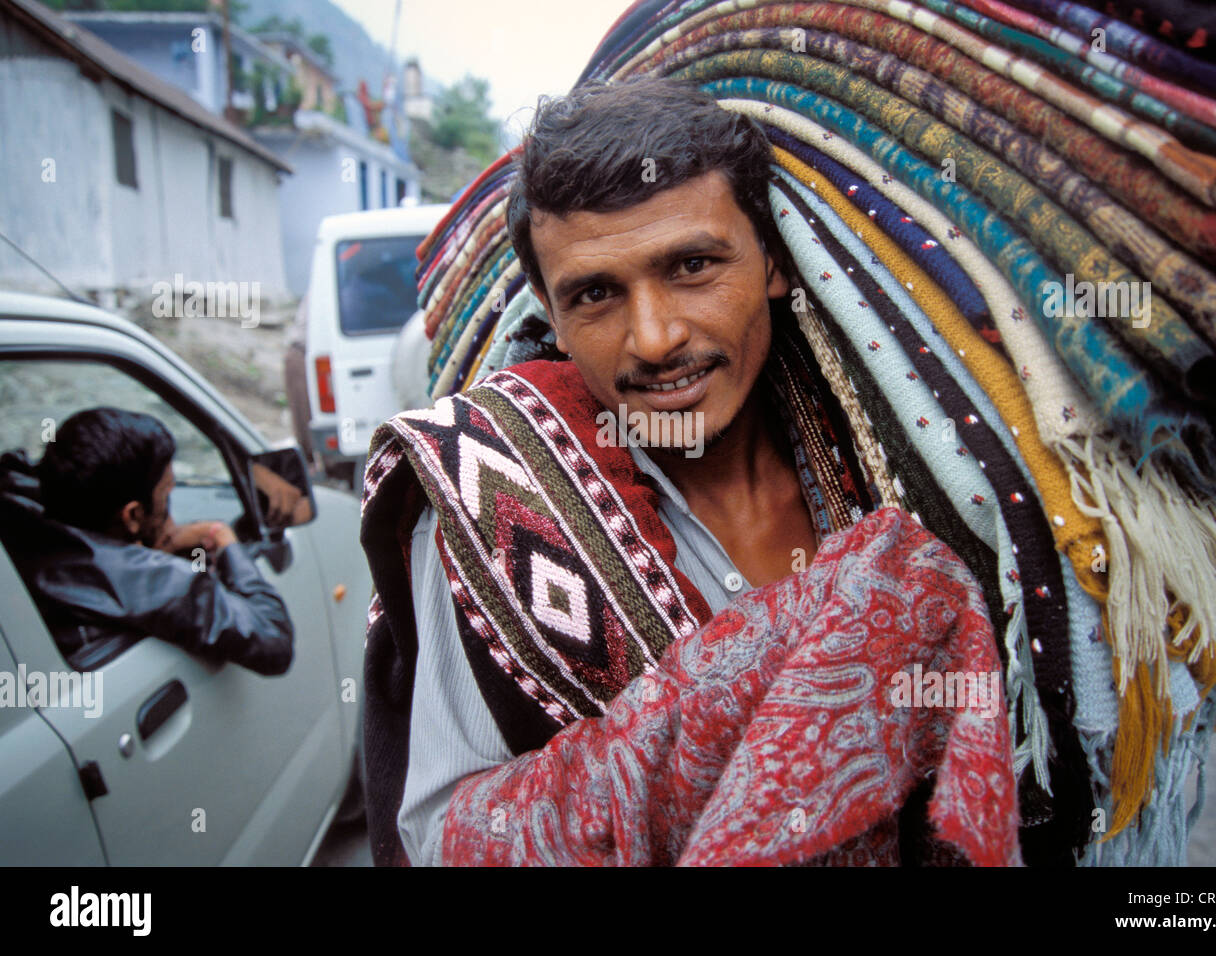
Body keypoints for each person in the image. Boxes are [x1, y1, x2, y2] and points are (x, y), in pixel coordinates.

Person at [360, 78, 1014, 865]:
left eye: (693, 266)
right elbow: (440, 839)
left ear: (772, 260)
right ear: (550, 311)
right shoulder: (488, 491)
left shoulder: (896, 443)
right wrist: (725, 696)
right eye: (597, 293)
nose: (656, 337)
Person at [0, 407, 294, 676]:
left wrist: (137, 541)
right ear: (132, 515)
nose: (171, 510)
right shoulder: (150, 579)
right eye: (166, 495)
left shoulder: (19, 514)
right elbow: (273, 642)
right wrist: (224, 537)